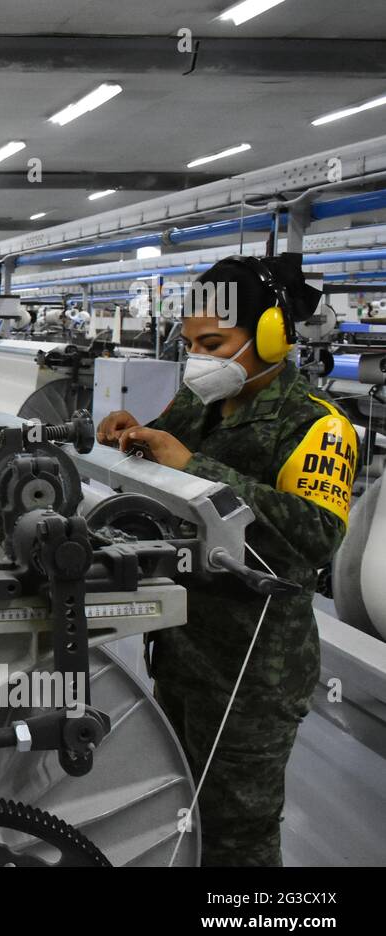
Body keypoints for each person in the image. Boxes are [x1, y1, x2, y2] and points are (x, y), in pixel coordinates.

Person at [96, 253, 357, 866]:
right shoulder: (200, 404)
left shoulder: (319, 427)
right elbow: (160, 452)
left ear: (271, 334)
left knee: (238, 833)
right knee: (179, 808)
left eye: (213, 343)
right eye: (190, 345)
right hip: (183, 648)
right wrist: (129, 432)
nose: (199, 361)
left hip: (252, 666)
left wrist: (193, 467)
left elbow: (314, 539)